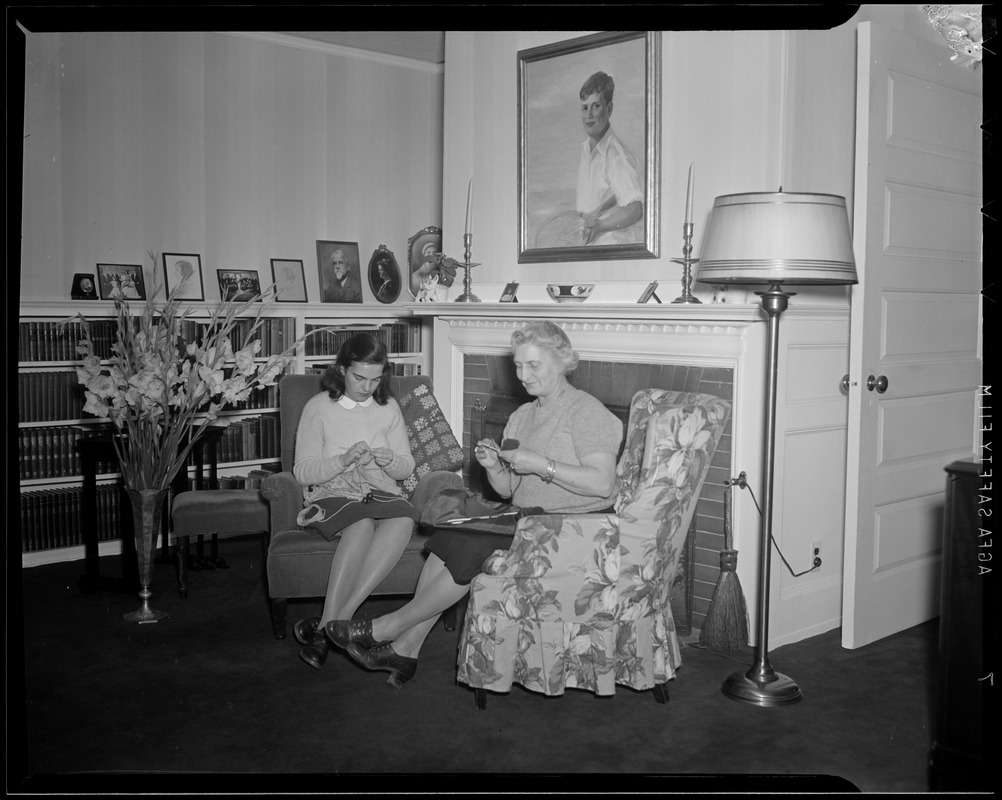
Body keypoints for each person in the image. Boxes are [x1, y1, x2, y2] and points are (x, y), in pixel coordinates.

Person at [323, 321, 624, 687]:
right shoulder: (521, 417)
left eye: (533, 365)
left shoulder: (586, 412)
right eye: (518, 365)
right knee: (451, 536)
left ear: (562, 362)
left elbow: (602, 483)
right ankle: (406, 649)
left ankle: (388, 626)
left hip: (574, 526)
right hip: (527, 518)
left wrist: (541, 465)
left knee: (476, 543)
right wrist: (495, 467)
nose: (523, 375)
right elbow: (510, 490)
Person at [291, 333, 419, 670]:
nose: (367, 387)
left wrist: (390, 460)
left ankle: (332, 625)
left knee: (404, 519)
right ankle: (333, 627)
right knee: (360, 523)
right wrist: (342, 460)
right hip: (333, 490)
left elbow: (406, 467)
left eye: (376, 379)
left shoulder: (388, 407)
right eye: (359, 378)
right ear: (341, 370)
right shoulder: (318, 407)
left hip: (378, 488)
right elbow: (302, 472)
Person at [575, 71, 644, 246]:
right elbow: (613, 196)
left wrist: (600, 226)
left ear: (609, 108)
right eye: (585, 108)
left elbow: (635, 210)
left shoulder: (617, 156)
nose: (589, 115)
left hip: (610, 251)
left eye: (596, 106)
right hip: (587, 253)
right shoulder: (586, 151)